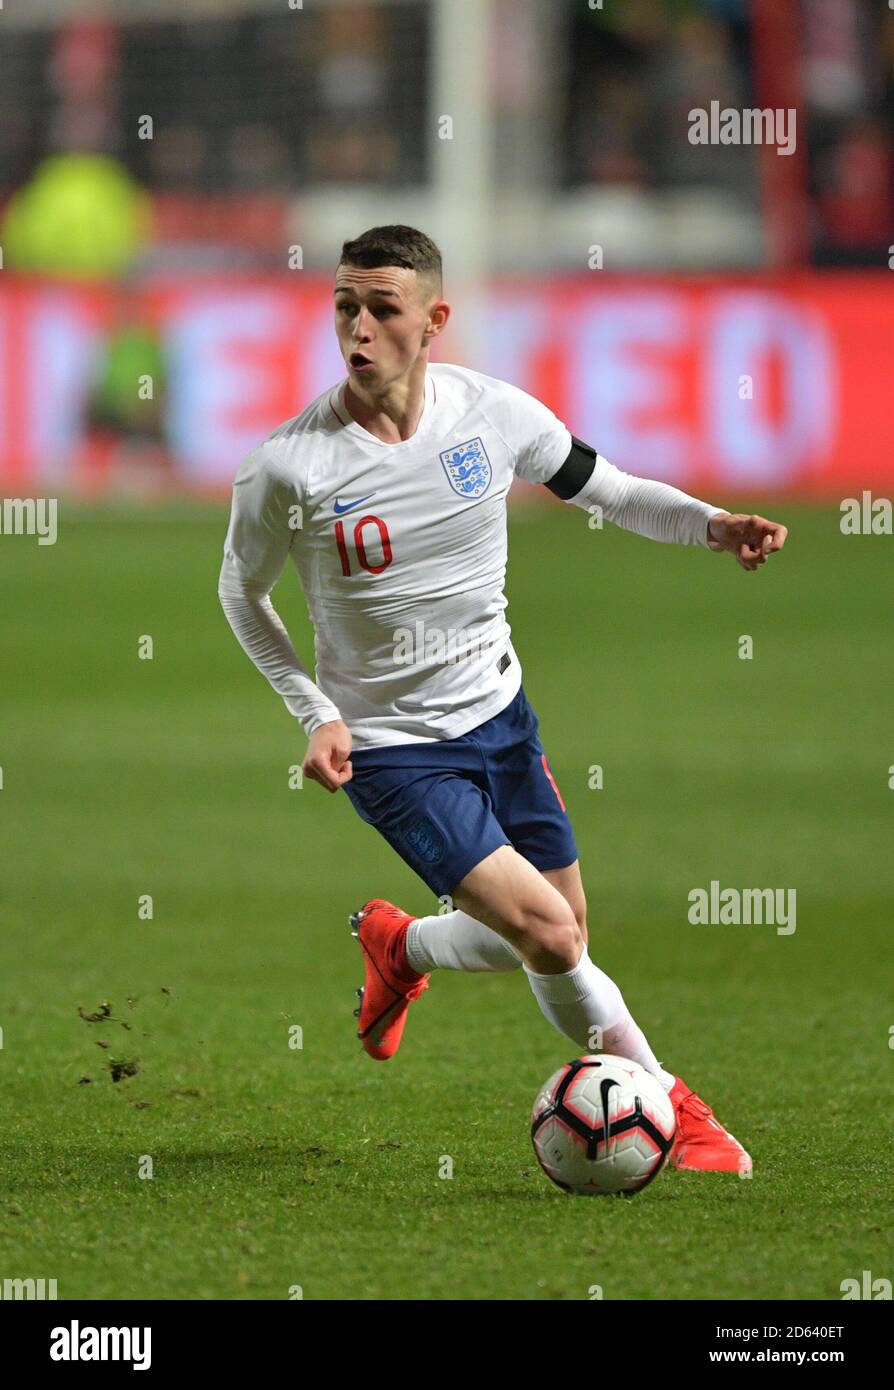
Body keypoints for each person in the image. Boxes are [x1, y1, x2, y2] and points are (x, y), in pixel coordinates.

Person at [218, 225, 787, 1174]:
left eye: (383, 309)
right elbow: (241, 593)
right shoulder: (289, 466)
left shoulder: (492, 415)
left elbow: (610, 490)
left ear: (435, 320)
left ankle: (402, 947)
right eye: (344, 308)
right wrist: (314, 709)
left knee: (554, 936)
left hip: (502, 717)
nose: (358, 329)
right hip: (394, 748)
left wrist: (712, 526)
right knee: (553, 937)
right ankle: (671, 1104)